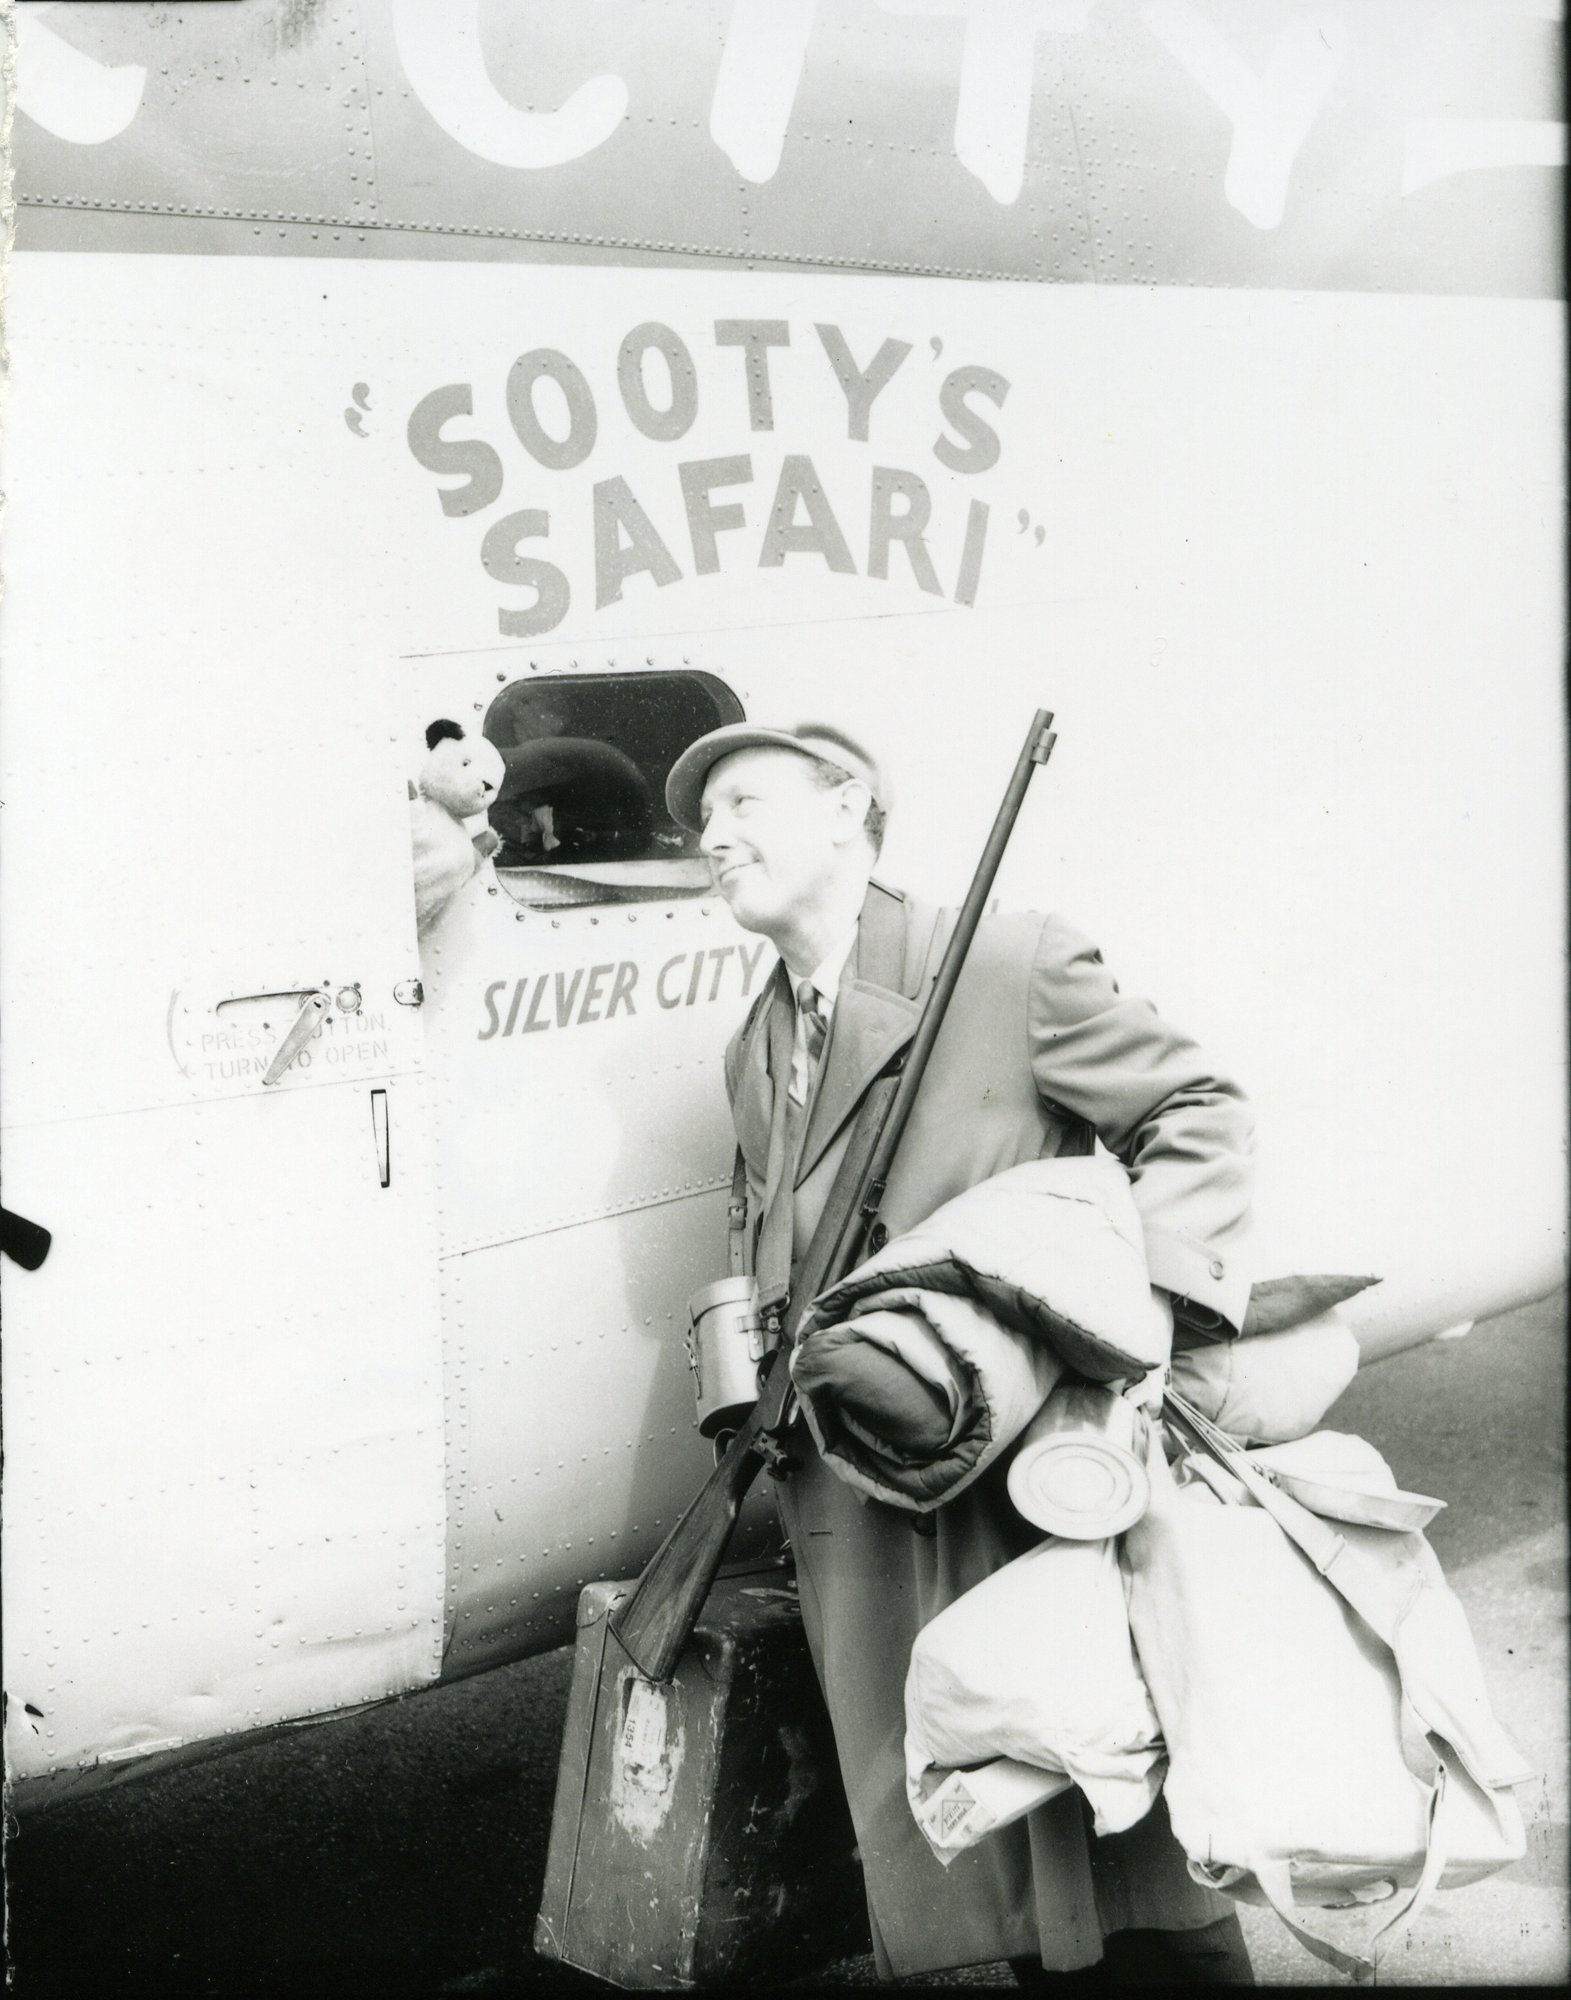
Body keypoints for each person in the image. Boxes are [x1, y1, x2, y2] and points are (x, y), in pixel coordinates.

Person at [663, 719, 1257, 1990]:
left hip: (1023, 1473)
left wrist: (1142, 1325)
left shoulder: (1001, 958)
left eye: (743, 801)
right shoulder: (756, 1040)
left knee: (1121, 1851)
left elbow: (1194, 1109)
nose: (713, 836)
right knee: (996, 1857)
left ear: (847, 805)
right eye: (701, 820)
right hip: (874, 1483)